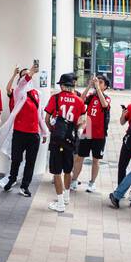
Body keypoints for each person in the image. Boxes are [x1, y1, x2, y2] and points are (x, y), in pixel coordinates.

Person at [44, 72, 86, 213]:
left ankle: (60, 203)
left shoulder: (55, 98)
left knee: (56, 172)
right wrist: (75, 130)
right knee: (68, 170)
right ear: (72, 85)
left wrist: (52, 130)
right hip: (70, 139)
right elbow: (82, 121)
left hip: (57, 140)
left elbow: (47, 119)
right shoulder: (79, 101)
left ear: (62, 85)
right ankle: (67, 198)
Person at [0, 63, 42, 195]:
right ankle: (12, 179)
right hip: (18, 131)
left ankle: (25, 186)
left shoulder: (36, 94)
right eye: (23, 75)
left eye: (28, 74)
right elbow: (19, 85)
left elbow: (39, 114)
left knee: (30, 161)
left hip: (34, 134)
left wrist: (44, 131)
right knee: (16, 159)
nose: (26, 77)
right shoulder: (17, 92)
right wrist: (27, 73)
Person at [71, 74, 110, 194]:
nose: (98, 83)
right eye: (97, 81)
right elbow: (80, 100)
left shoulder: (106, 98)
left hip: (100, 134)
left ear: (105, 86)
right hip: (88, 131)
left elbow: (104, 105)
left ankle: (92, 183)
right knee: (79, 157)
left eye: (101, 82)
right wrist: (89, 85)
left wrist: (98, 88)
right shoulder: (91, 96)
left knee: (95, 160)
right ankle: (74, 180)